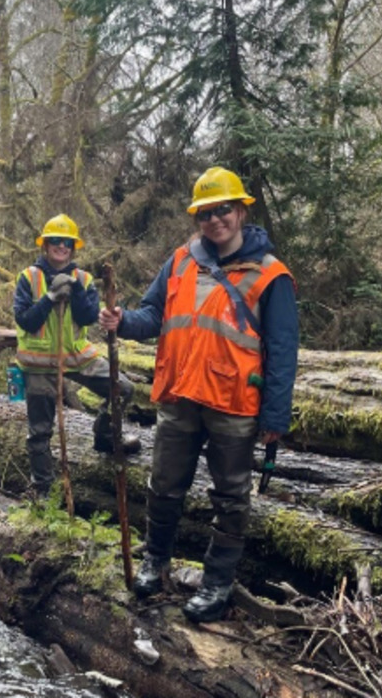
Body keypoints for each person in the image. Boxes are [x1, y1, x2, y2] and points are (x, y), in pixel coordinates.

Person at [98, 167, 298, 623]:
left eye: (222, 210)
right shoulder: (181, 259)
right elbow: (152, 313)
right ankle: (155, 561)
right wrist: (122, 321)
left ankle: (216, 584)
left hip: (234, 405)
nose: (214, 220)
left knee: (230, 496)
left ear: (241, 210)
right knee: (165, 486)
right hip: (179, 394)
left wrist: (275, 419)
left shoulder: (272, 276)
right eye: (205, 213)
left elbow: (284, 352)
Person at [13, 213, 141, 498]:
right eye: (56, 241)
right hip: (39, 362)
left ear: (73, 247)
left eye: (67, 242)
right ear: (45, 245)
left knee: (123, 387)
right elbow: (25, 320)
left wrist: (77, 292)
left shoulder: (82, 278)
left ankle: (105, 435)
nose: (62, 246)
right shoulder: (28, 278)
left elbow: (86, 317)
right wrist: (49, 298)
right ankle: (43, 491)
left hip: (76, 355)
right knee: (40, 431)